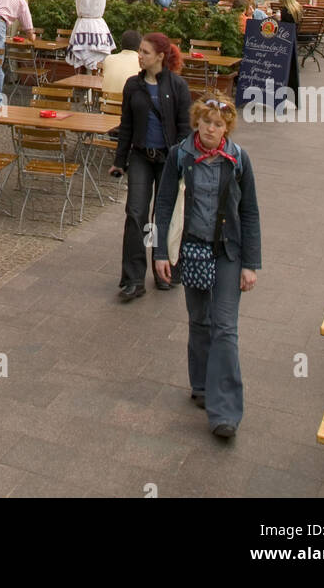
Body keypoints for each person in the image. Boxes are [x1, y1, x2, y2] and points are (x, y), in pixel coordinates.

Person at [154, 94, 261, 439]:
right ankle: (201, 385)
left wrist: (251, 264)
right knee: (199, 321)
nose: (212, 129)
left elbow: (250, 212)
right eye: (207, 122)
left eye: (219, 124)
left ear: (226, 128)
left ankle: (225, 413)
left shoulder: (238, 159)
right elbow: (165, 203)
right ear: (197, 122)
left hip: (228, 253)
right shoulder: (180, 156)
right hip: (192, 249)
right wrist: (159, 252)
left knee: (225, 328)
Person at [109, 32, 191, 298]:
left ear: (159, 56)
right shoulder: (133, 85)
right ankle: (133, 278)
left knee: (162, 217)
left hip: (168, 159)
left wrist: (180, 161)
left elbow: (184, 128)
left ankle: (164, 270)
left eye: (144, 52)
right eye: (140, 51)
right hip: (141, 156)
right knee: (136, 214)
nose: (140, 56)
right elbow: (127, 126)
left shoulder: (177, 86)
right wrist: (119, 161)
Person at [276, 0, 302, 104]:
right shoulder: (297, 8)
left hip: (286, 42)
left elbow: (283, 27)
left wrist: (278, 19)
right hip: (294, 39)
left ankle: (284, 93)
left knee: (286, 69)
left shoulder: (285, 11)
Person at [101, 30, 143, 96]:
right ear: (140, 46)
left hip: (106, 103)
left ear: (121, 44)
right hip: (129, 104)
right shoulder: (142, 61)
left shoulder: (108, 59)